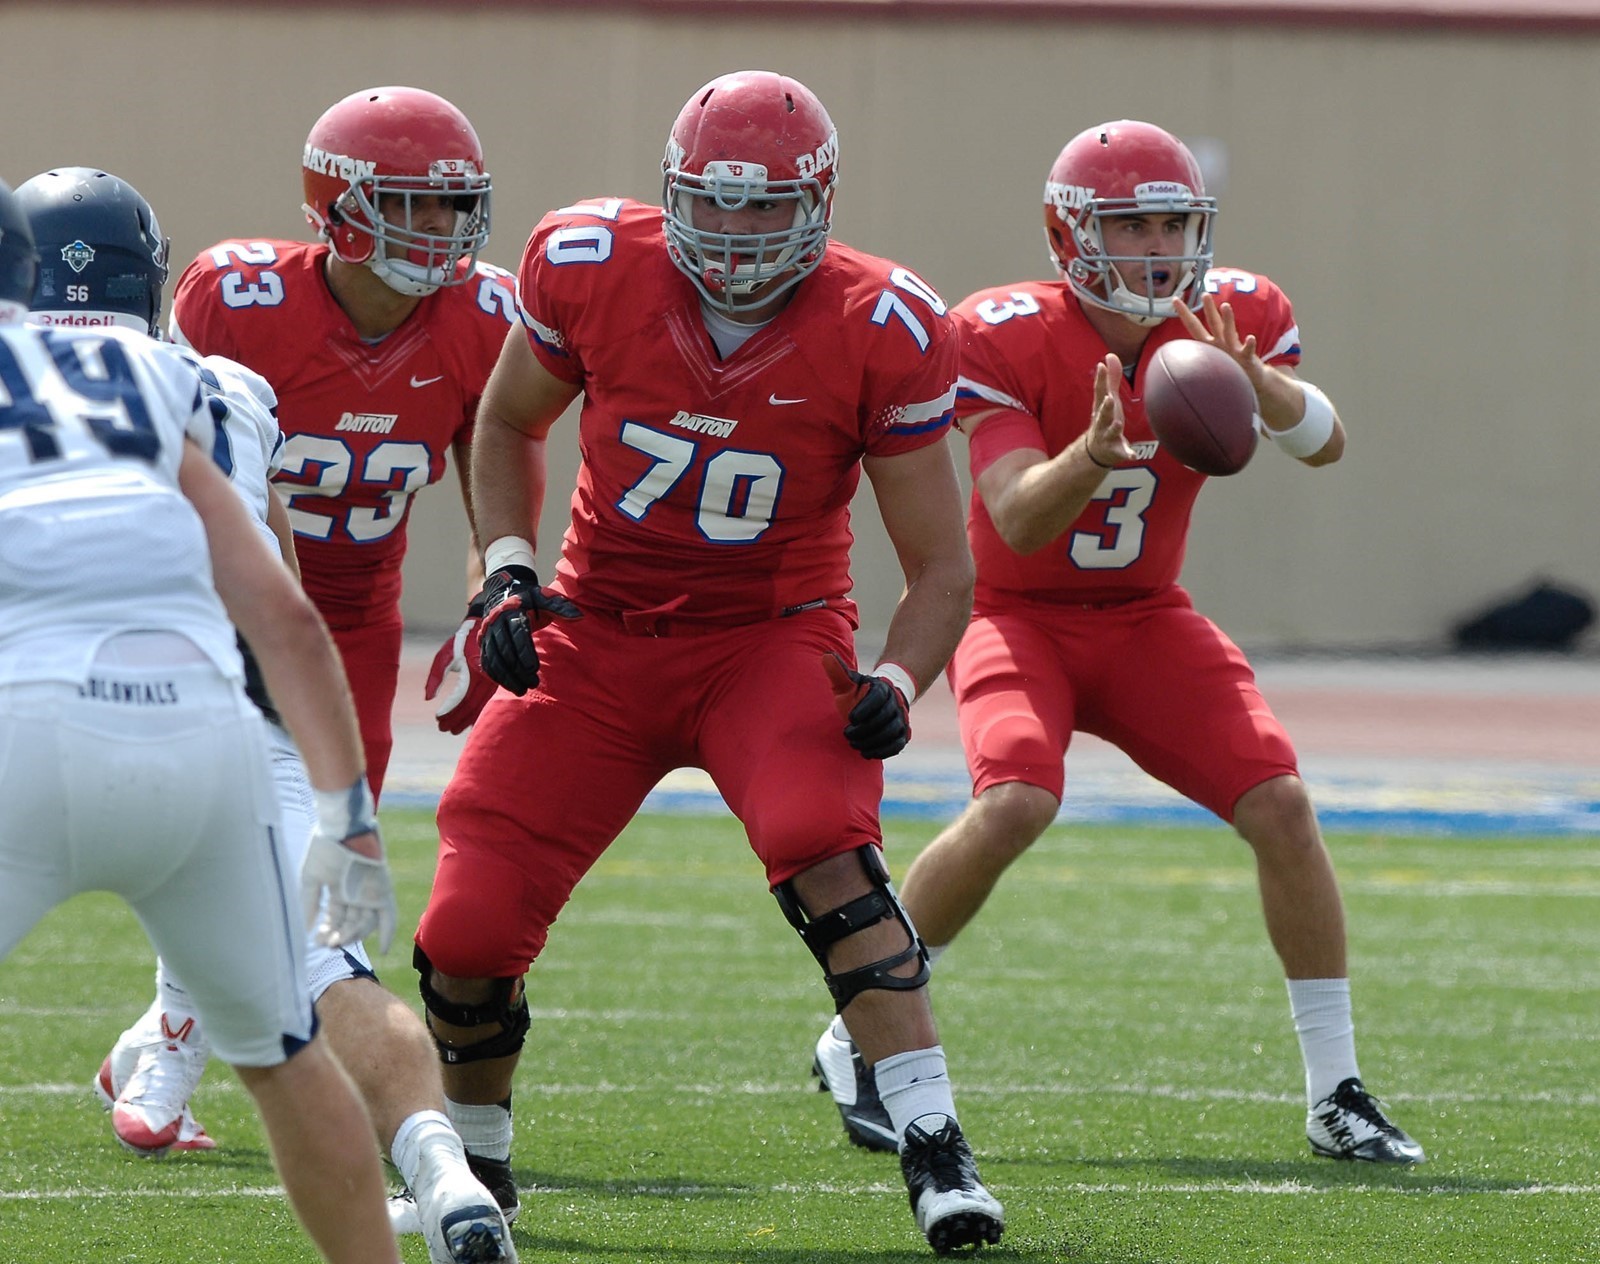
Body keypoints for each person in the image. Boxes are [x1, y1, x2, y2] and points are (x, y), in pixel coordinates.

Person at [410, 70, 1005, 1255]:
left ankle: (936, 1151)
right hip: (601, 631)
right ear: (672, 194)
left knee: (820, 844)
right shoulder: (588, 262)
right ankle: (478, 1172)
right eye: (714, 205)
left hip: (768, 638)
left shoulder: (880, 323)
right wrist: (507, 570)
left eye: (764, 208)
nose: (734, 237)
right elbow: (506, 422)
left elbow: (940, 567)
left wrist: (896, 679)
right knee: (468, 923)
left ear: (819, 204)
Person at [812, 119, 1425, 1167]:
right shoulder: (1002, 331)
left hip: (1147, 615)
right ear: (1071, 233)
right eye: (1130, 223)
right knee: (1014, 800)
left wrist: (1260, 385)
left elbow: (1323, 442)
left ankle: (1337, 1091)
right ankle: (850, 1037)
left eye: (1171, 223)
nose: (1154, 246)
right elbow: (1013, 519)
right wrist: (1091, 456)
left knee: (1279, 800)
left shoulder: (1237, 312)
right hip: (1019, 616)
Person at [17, 167, 518, 1264]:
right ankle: (441, 1175)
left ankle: (165, 1051)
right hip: (209, 728)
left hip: (25, 719)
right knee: (309, 1007)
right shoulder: (223, 389)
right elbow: (285, 618)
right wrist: (341, 808)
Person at [168, 84, 517, 794]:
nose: (435, 224)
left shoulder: (486, 318)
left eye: (449, 203)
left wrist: (491, 602)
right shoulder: (239, 302)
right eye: (407, 201)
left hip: (357, 625)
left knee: (340, 832)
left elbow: (498, 476)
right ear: (341, 202)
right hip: (226, 599)